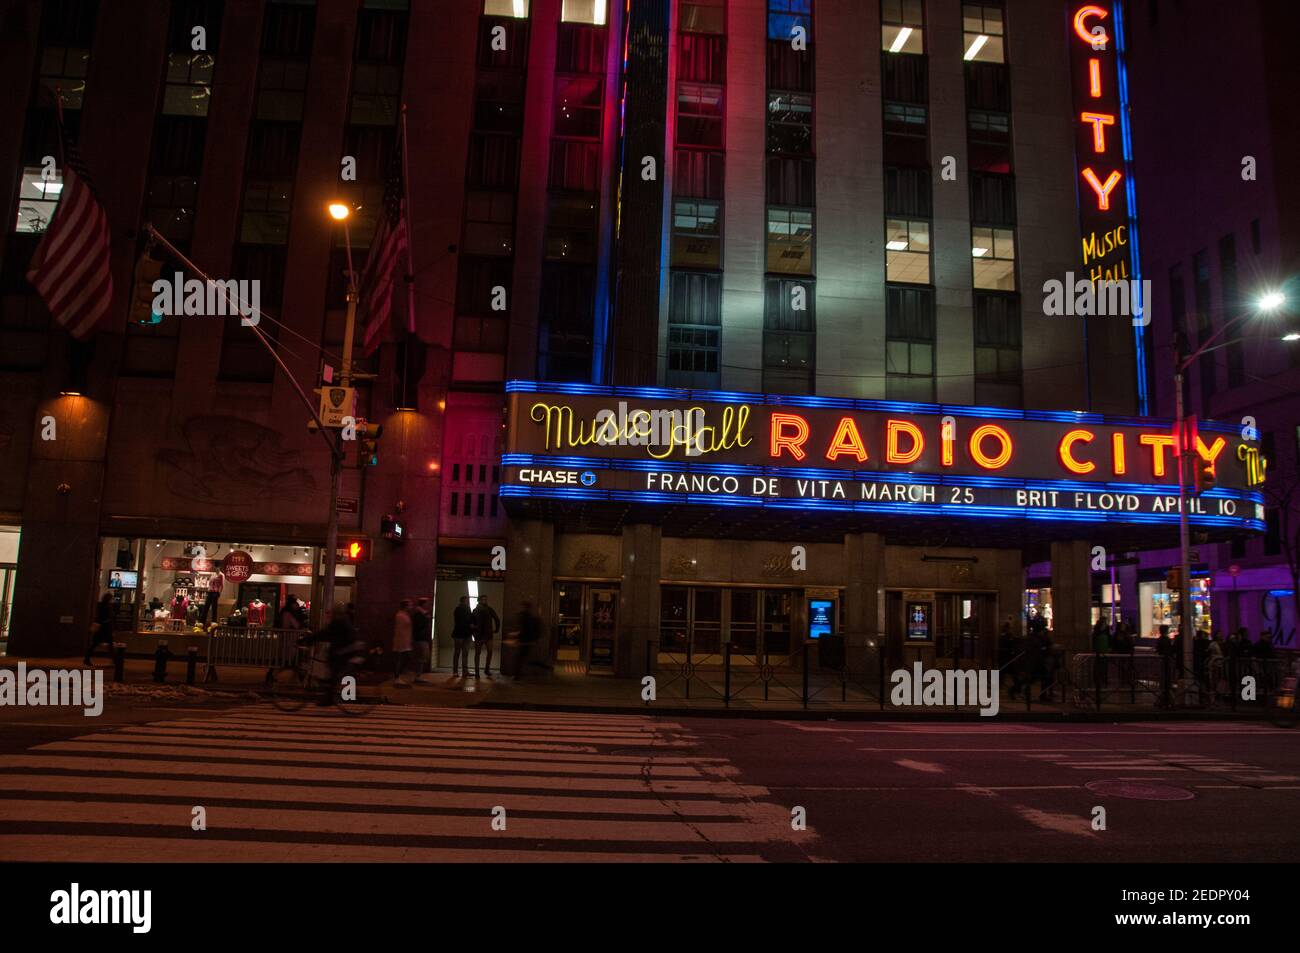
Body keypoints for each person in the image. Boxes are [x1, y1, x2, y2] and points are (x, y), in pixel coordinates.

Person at [299, 603, 362, 706]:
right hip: (345, 650)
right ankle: (329, 694)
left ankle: (329, 698)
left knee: (333, 671)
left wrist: (308, 640)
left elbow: (324, 633)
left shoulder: (338, 622)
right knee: (331, 669)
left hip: (343, 651)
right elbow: (326, 634)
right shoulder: (343, 620)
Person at [512, 600, 542, 680]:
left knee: (520, 658)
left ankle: (517, 675)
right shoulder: (530, 616)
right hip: (528, 640)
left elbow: (524, 629)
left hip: (525, 640)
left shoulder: (524, 616)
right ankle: (519, 674)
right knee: (523, 657)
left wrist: (518, 637)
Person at [84, 592, 116, 665]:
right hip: (105, 629)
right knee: (109, 645)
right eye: (111, 598)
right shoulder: (108, 606)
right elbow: (108, 617)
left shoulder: (101, 605)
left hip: (101, 629)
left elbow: (100, 617)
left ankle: (87, 658)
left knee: (95, 644)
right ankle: (114, 660)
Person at [472, 597, 501, 677]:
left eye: (486, 599)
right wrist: (496, 629)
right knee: (489, 652)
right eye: (484, 599)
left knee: (478, 654)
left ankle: (477, 672)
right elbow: (496, 619)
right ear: (479, 600)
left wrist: (473, 633)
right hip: (487, 635)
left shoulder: (475, 610)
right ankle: (486, 670)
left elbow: (472, 623)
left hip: (479, 635)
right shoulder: (489, 609)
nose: (485, 601)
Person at [410, 597, 433, 680]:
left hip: (420, 638)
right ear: (423, 604)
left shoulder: (419, 614)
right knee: (421, 657)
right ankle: (418, 676)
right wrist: (426, 618)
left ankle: (418, 675)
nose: (428, 605)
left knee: (421, 657)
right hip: (421, 638)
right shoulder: (420, 615)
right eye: (427, 603)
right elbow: (419, 627)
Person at [392, 600, 413, 685]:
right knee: (399, 659)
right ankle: (397, 677)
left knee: (402, 659)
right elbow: (400, 630)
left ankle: (399, 675)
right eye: (409, 605)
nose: (411, 607)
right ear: (405, 606)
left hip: (405, 641)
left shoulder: (404, 615)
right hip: (401, 641)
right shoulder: (400, 616)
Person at [450, 596, 473, 679]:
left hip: (458, 634)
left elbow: (458, 621)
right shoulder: (467, 609)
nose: (468, 602)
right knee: (464, 653)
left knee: (457, 653)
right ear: (465, 601)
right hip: (466, 634)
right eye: (467, 600)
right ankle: (464, 671)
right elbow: (468, 620)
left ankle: (455, 671)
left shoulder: (457, 609)